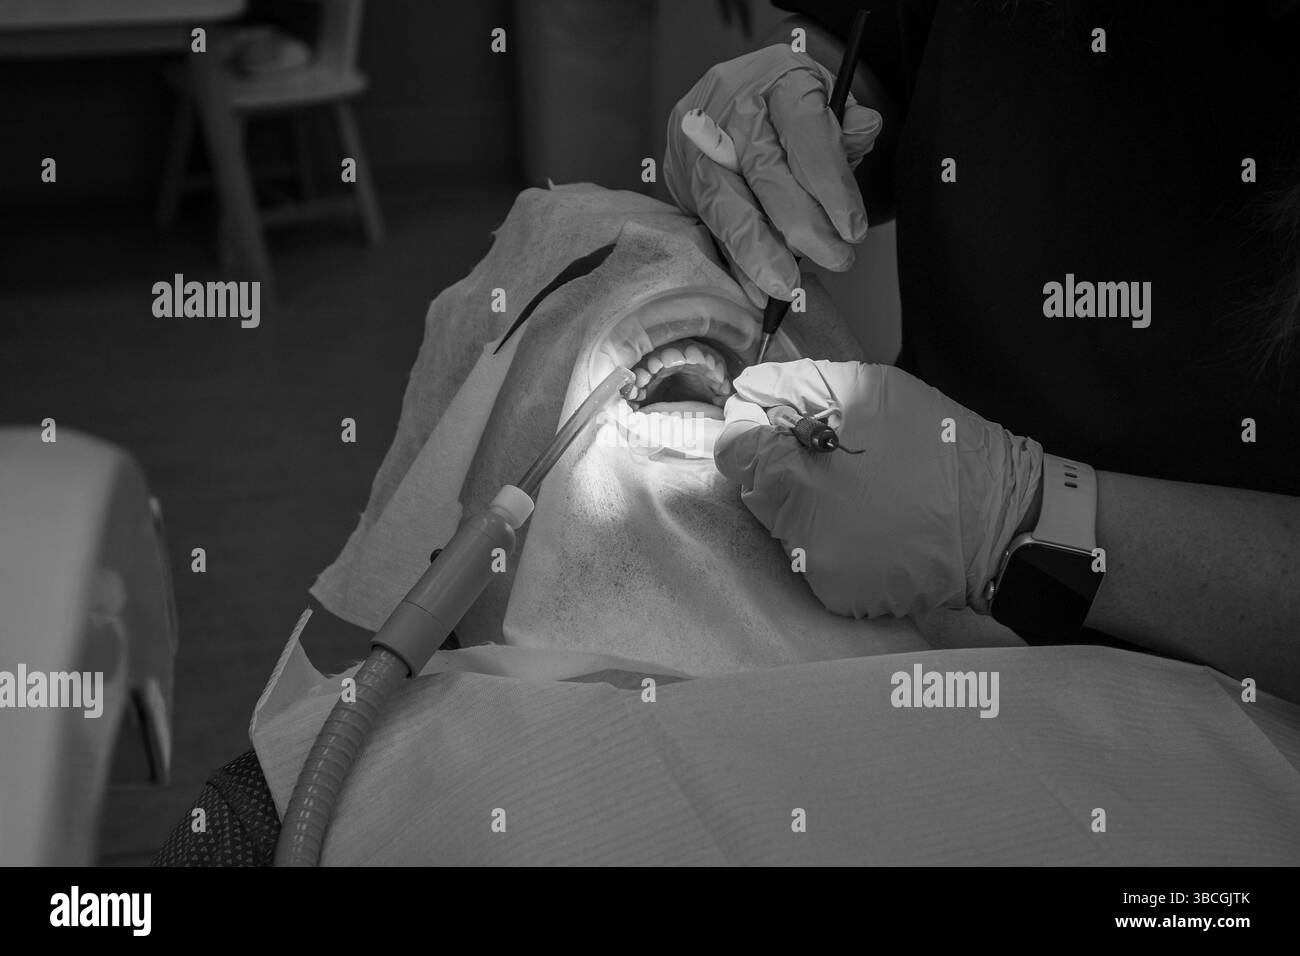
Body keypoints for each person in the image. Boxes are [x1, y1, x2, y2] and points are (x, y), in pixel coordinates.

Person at [663, 0, 1300, 701]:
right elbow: (870, 44)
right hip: (904, 545)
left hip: (1223, 707)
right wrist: (792, 101)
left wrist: (1025, 515)